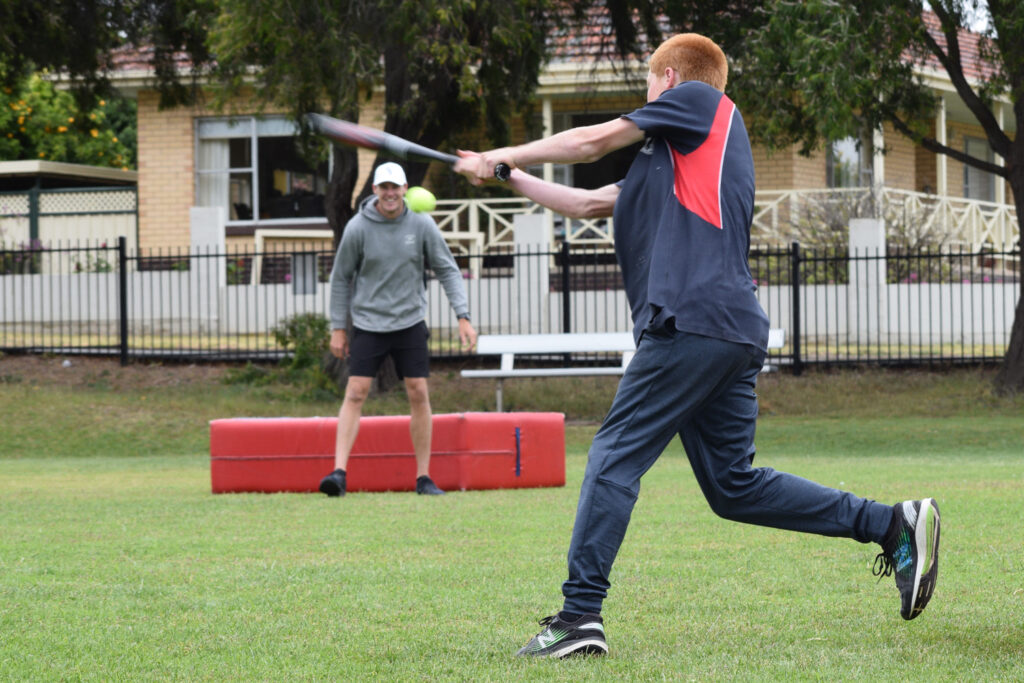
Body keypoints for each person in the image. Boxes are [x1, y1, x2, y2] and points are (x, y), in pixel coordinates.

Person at [455, 33, 940, 657]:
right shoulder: (675, 159)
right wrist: (506, 172)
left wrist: (503, 146)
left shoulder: (701, 104)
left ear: (669, 78)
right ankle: (889, 523)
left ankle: (579, 617)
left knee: (613, 457)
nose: (645, 101)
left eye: (647, 88)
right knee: (733, 485)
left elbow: (589, 141)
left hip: (693, 321)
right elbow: (585, 202)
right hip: (728, 330)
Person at [319, 161, 477, 497]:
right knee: (356, 391)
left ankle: (423, 478)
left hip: (409, 321)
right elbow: (340, 278)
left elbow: (448, 270)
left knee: (418, 391)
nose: (390, 193)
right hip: (368, 322)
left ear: (406, 189)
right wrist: (337, 327)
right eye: (383, 187)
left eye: (396, 187)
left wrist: (462, 315)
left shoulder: (421, 224)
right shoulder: (358, 227)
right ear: (375, 190)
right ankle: (338, 473)